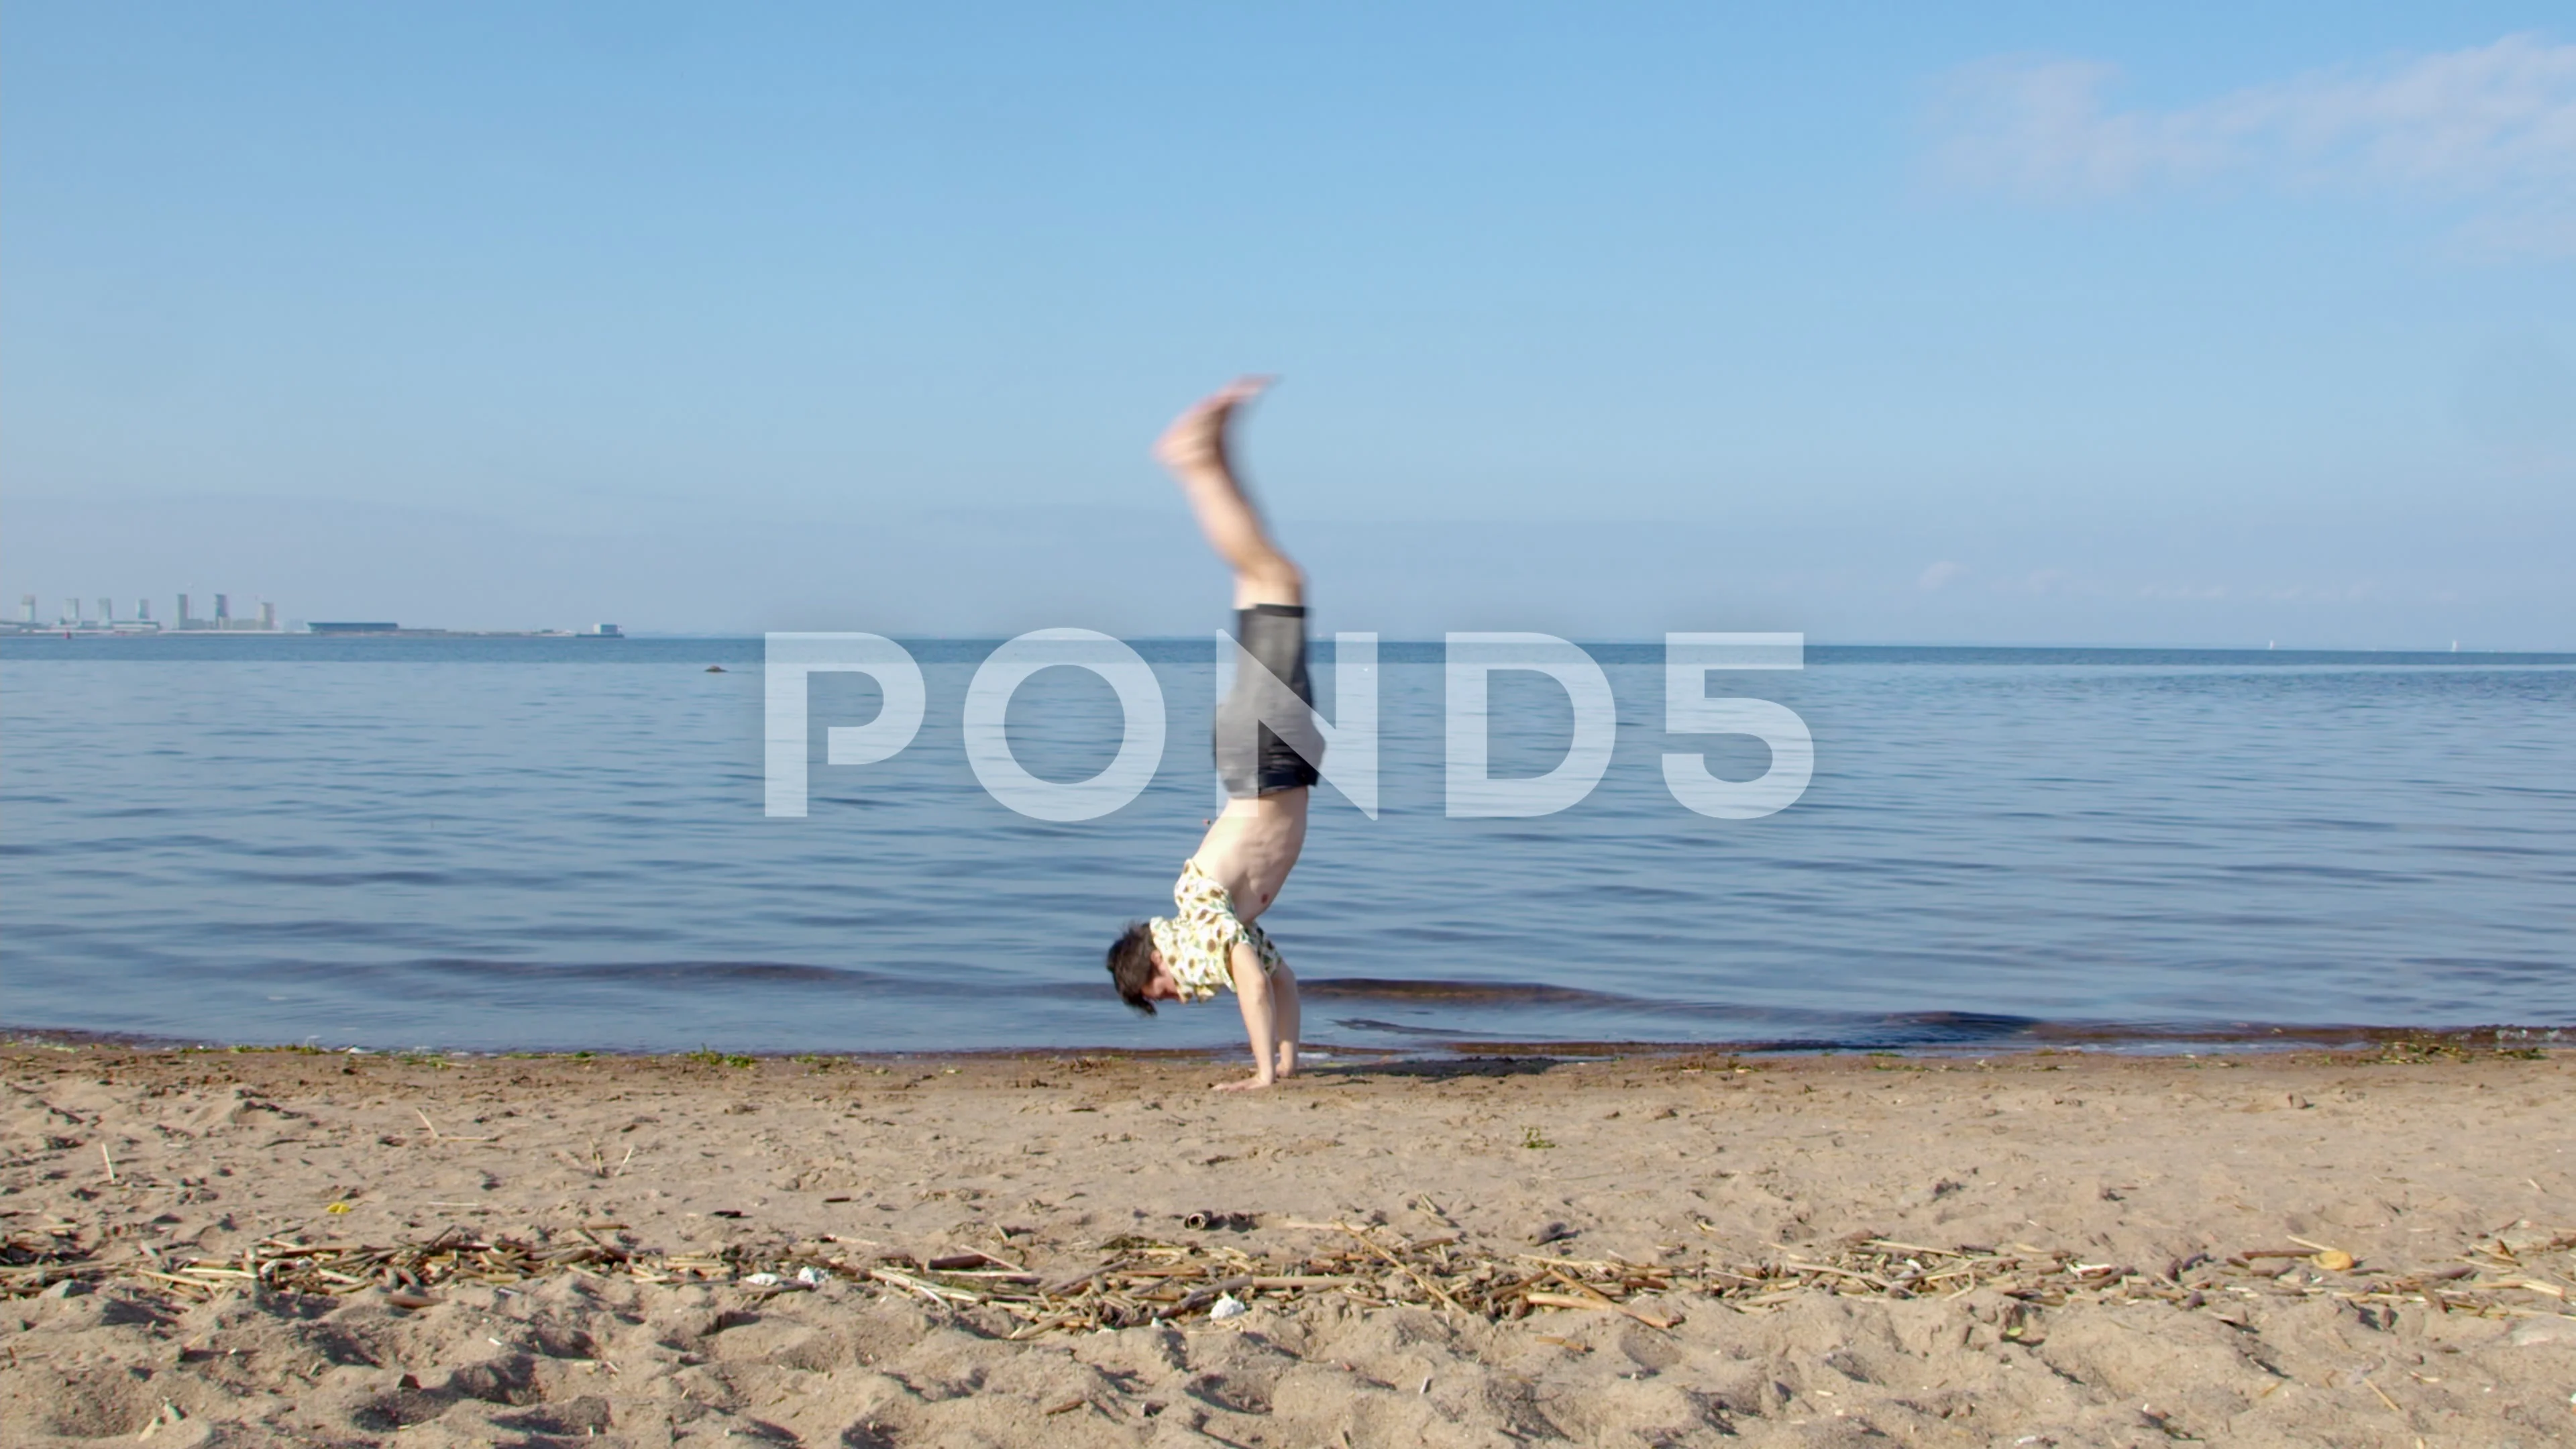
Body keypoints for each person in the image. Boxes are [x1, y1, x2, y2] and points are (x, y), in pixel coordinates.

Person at [1105, 377, 1318, 1091]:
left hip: (1264, 758)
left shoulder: (1194, 926)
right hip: (1266, 762)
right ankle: (1209, 457)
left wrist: (1259, 1075)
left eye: (1158, 995)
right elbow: (1281, 982)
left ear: (1153, 967)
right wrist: (1286, 1061)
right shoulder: (1211, 920)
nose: (1176, 999)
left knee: (1274, 578)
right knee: (1268, 581)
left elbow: (1253, 988)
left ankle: (1197, 458)